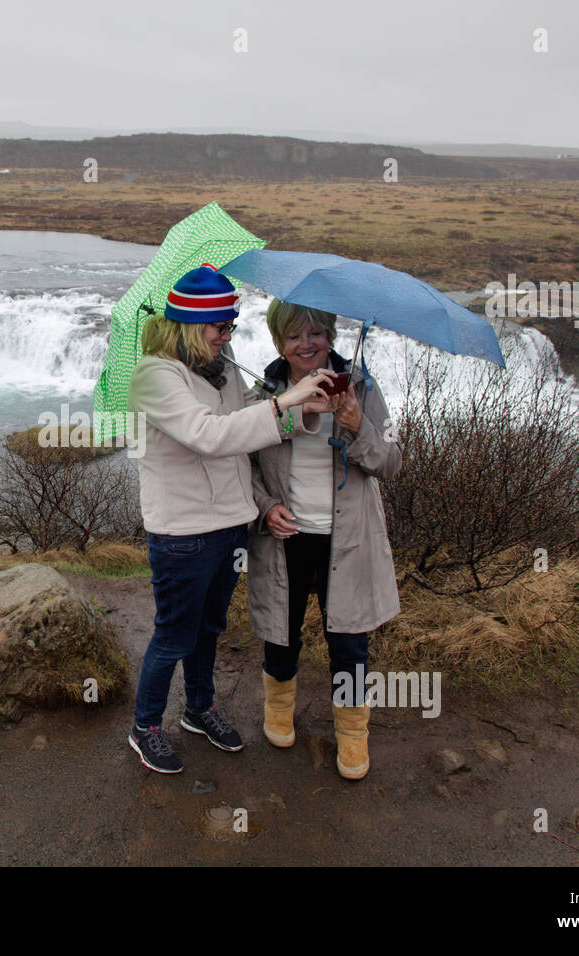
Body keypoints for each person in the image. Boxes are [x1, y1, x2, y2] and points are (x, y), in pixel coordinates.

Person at [127, 266, 330, 774]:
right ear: (193, 326)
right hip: (182, 532)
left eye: (232, 327)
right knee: (174, 634)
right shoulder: (156, 374)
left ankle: (199, 709)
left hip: (229, 524)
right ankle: (146, 725)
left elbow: (249, 425)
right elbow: (211, 435)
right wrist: (287, 399)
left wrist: (306, 408)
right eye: (221, 327)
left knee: (209, 628)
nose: (228, 336)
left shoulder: (223, 365)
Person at [246, 300, 402, 779]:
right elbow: (240, 466)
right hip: (286, 538)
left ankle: (353, 734)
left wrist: (357, 426)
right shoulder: (265, 394)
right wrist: (266, 508)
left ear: (332, 335)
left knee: (350, 643)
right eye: (295, 336)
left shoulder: (362, 388)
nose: (307, 344)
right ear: (279, 343)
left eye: (316, 332)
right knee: (281, 634)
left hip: (347, 539)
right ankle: (279, 707)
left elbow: (392, 463)